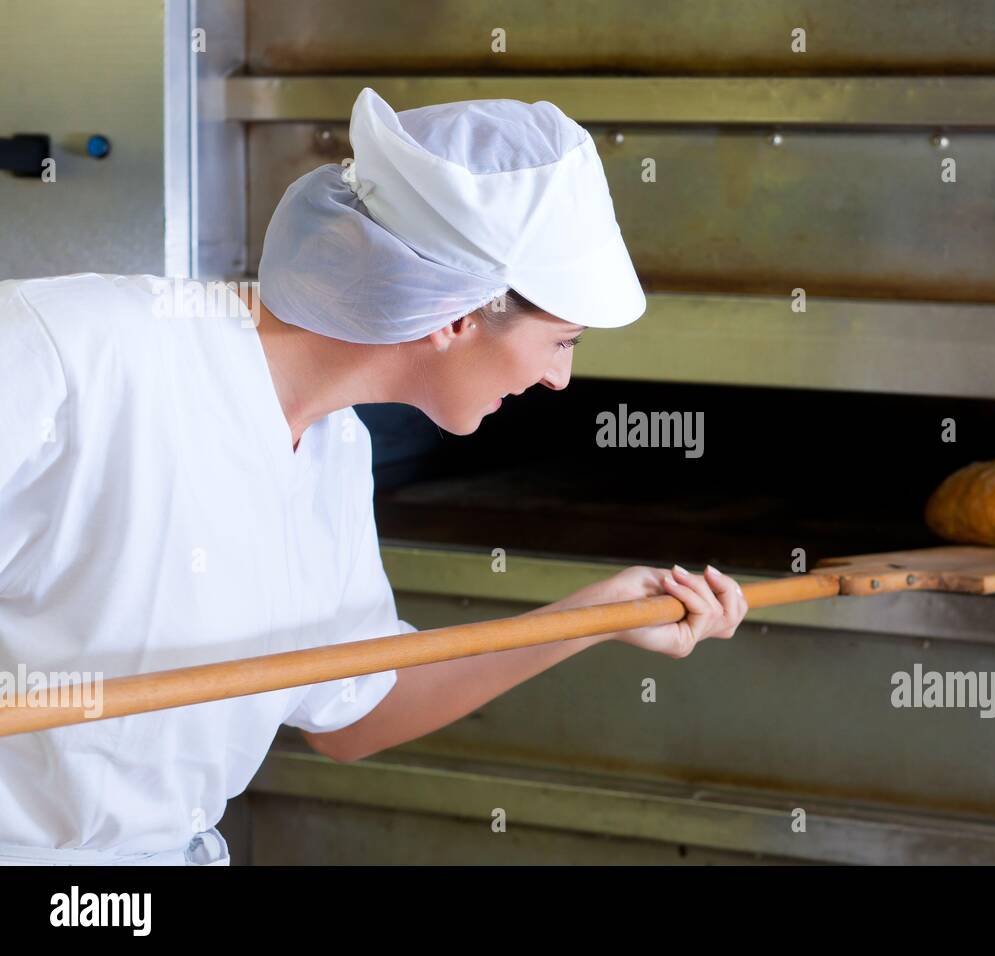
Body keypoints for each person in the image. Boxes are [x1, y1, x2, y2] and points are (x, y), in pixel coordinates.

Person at [0, 88, 748, 865]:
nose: (561, 378)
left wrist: (590, 618)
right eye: (562, 341)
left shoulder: (334, 451)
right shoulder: (74, 350)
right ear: (457, 316)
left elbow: (352, 714)